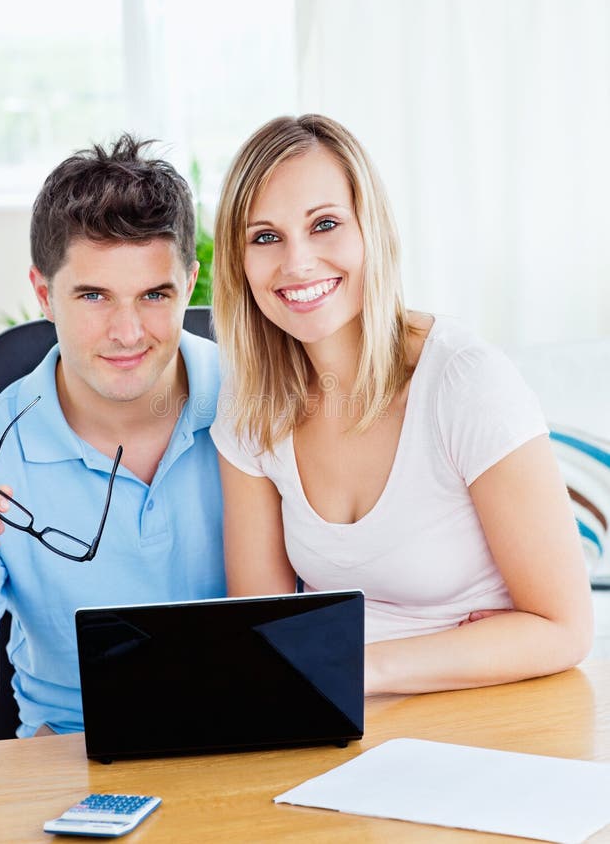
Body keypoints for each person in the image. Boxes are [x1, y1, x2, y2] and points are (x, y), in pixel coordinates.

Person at [210, 114, 593, 696]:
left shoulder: (464, 381)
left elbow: (565, 630)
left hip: (492, 707)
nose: (297, 263)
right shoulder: (252, 398)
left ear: (372, 231)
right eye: (266, 237)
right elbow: (263, 624)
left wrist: (365, 666)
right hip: (340, 717)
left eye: (325, 224)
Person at [0, 135, 225, 739]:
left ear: (190, 285)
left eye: (154, 295)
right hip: (75, 757)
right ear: (44, 294)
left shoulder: (260, 406)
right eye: (94, 296)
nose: (127, 332)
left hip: (251, 733)